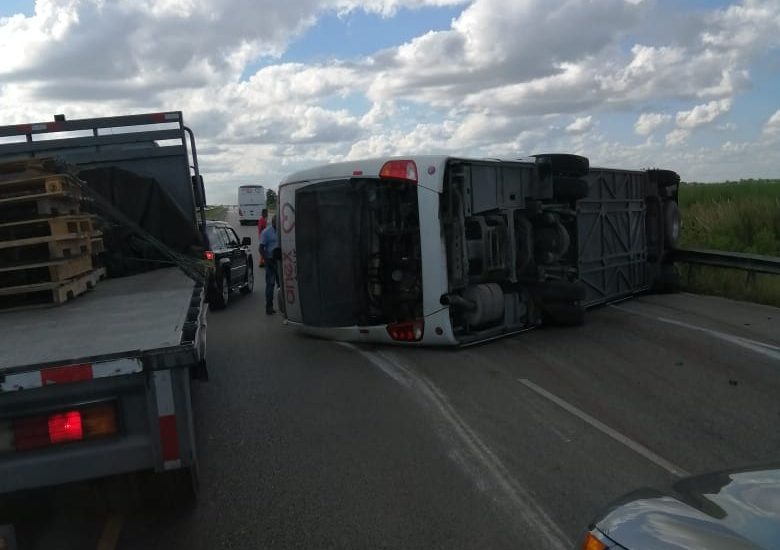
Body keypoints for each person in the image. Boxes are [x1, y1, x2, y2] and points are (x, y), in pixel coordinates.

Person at [259, 215, 279, 315]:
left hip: (281, 261)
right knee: (270, 284)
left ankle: (286, 308)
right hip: (270, 261)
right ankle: (269, 307)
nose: (278, 224)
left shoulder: (283, 231)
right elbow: (261, 248)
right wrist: (266, 259)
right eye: (277, 222)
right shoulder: (266, 232)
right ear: (273, 222)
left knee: (283, 286)